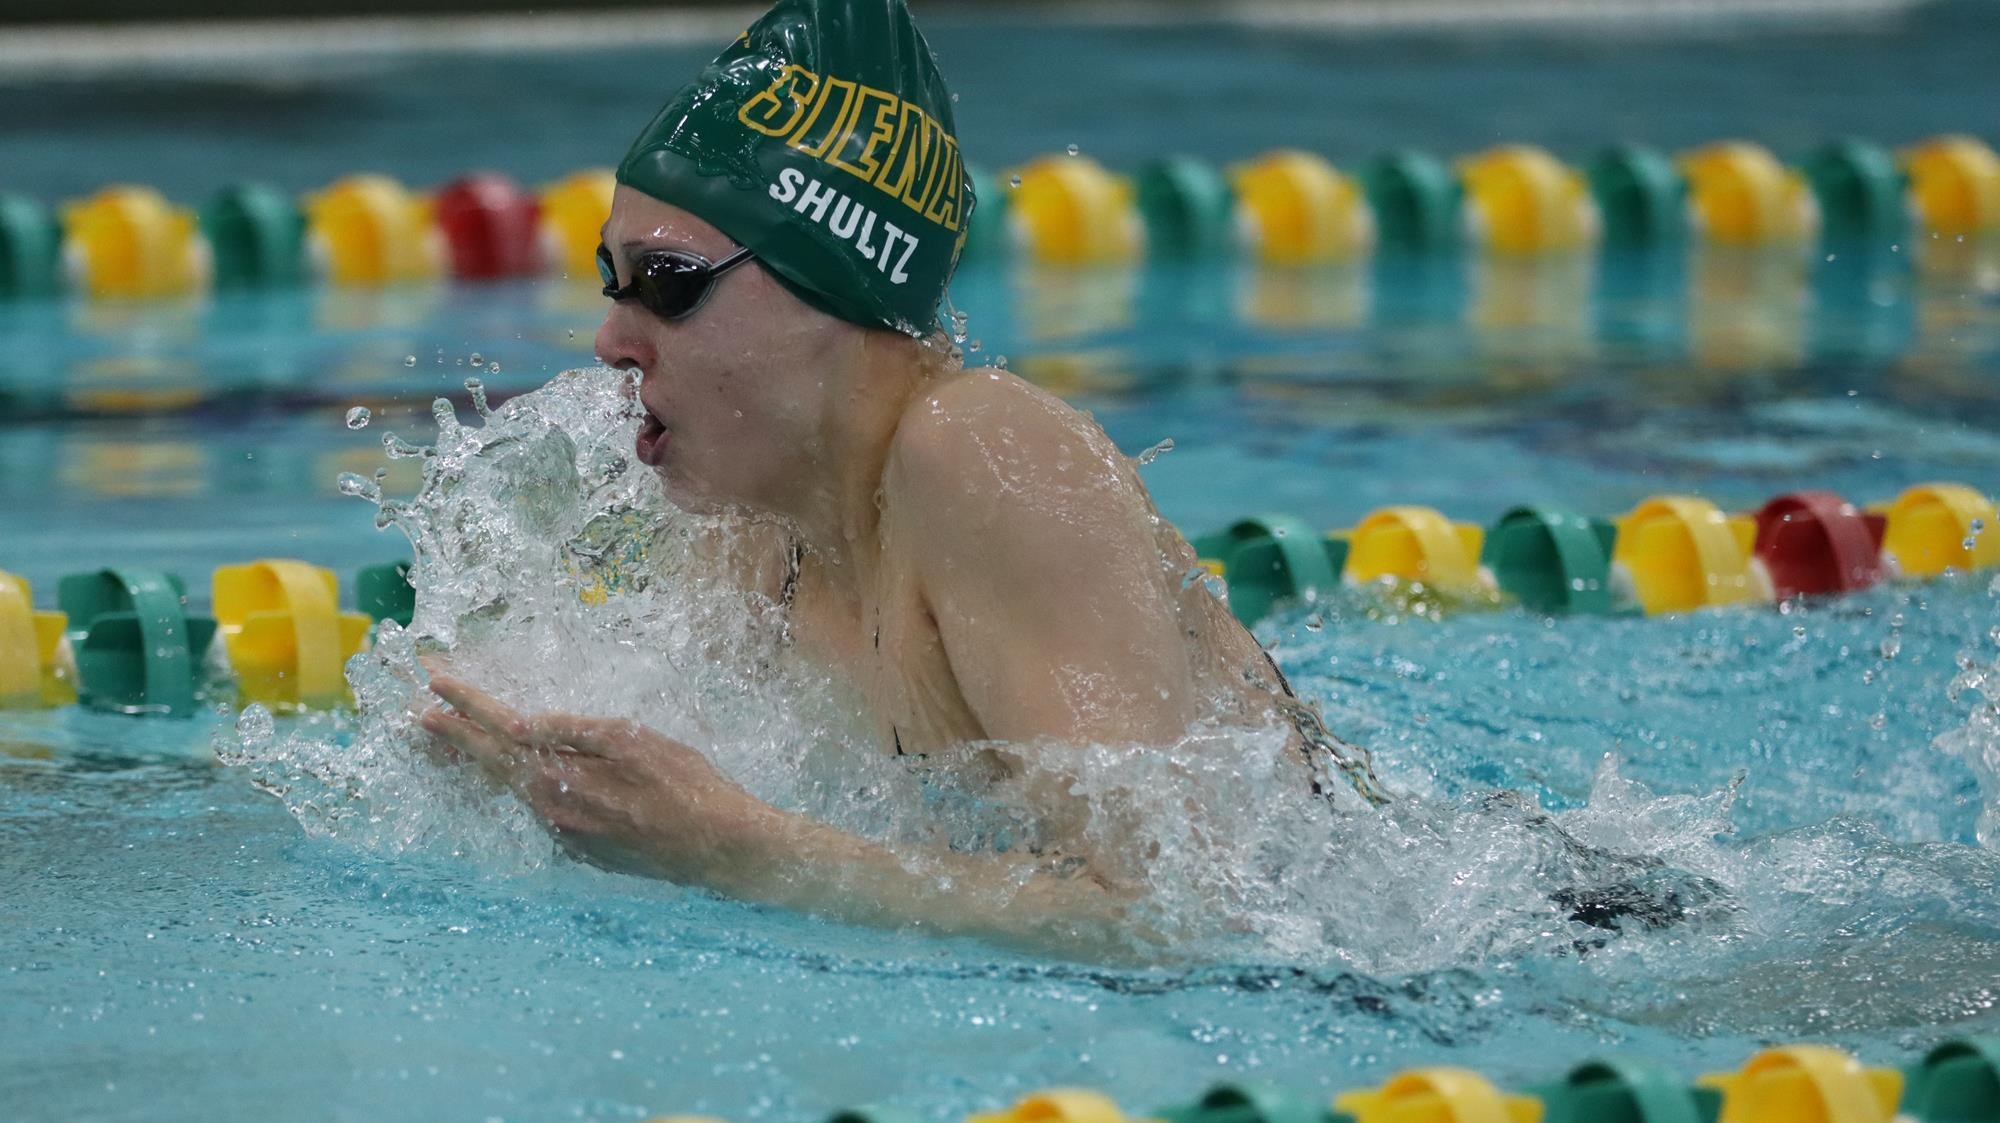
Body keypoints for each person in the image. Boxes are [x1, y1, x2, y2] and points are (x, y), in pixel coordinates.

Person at [419, 0, 1386, 961]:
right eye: (609, 281)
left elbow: (1178, 912)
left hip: (1383, 986)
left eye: (667, 283)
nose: (613, 342)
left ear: (833, 278)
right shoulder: (755, 515)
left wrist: (730, 848)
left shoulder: (984, 452)